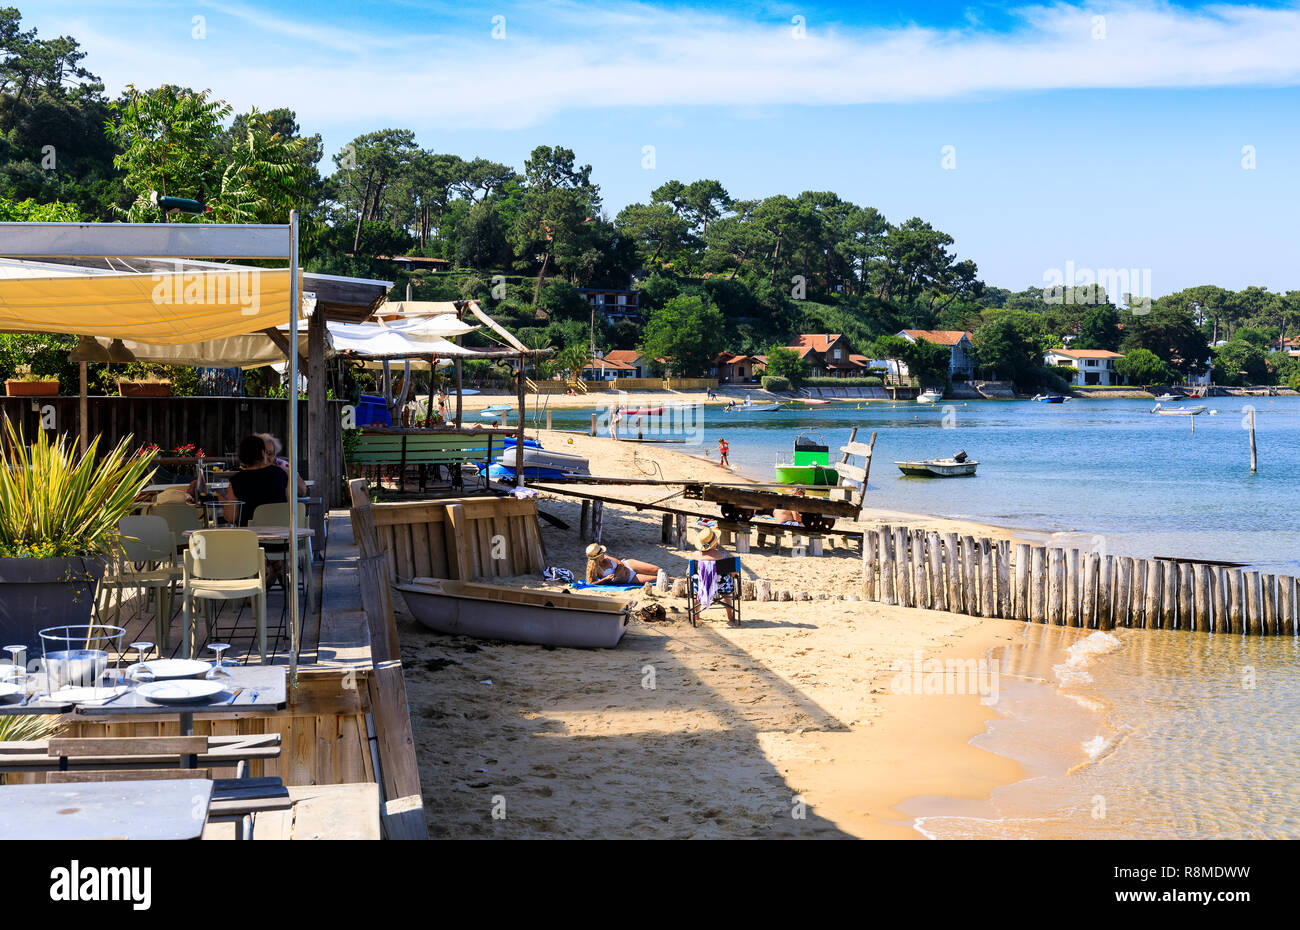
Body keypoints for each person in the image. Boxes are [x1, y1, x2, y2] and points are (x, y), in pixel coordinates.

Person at [221, 434, 290, 526]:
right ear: (262, 453)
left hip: (251, 537)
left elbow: (231, 517)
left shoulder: (236, 480)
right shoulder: (280, 474)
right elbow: (289, 506)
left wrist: (220, 498)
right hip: (281, 534)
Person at [692, 526, 737, 623]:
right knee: (726, 591)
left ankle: (696, 616)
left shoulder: (695, 556)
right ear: (715, 542)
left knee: (696, 590)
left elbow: (689, 573)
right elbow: (734, 573)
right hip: (721, 587)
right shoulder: (723, 555)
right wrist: (733, 575)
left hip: (701, 587)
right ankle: (730, 616)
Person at [585, 543, 660, 585]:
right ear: (597, 557)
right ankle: (671, 579)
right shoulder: (593, 568)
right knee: (658, 579)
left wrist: (615, 575)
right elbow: (591, 583)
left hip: (629, 565)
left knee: (658, 570)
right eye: (602, 553)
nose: (604, 553)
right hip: (630, 578)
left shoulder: (605, 557)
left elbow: (619, 563)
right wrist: (605, 579)